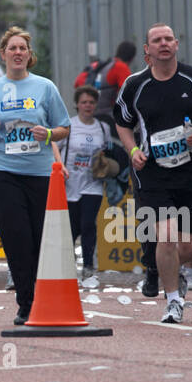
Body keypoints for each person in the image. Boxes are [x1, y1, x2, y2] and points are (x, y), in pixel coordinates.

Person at [114, 22, 192, 324]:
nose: (163, 43)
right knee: (165, 236)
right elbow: (122, 123)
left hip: (191, 173)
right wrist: (132, 150)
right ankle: (173, 300)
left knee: (188, 248)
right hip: (152, 174)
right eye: (156, 40)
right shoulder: (135, 86)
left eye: (168, 39)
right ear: (147, 50)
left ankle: (162, 267)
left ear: (176, 44)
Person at [0, 26, 71, 326]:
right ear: (3, 54)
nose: (17, 53)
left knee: (40, 240)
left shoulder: (45, 88)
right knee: (17, 238)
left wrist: (49, 133)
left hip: (39, 173)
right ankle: (26, 303)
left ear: (29, 55)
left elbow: (64, 128)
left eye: (22, 48)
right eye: (12, 48)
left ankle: (43, 297)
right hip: (3, 172)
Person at [59, 86, 114, 279]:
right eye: (84, 102)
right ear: (77, 105)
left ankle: (89, 265)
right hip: (70, 184)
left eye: (91, 102)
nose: (88, 106)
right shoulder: (68, 125)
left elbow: (109, 151)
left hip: (93, 184)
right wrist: (59, 167)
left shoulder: (102, 128)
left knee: (88, 223)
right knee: (73, 226)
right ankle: (67, 262)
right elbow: (54, 149)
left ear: (96, 105)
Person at [75, 40, 136, 126]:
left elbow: (77, 83)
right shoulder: (121, 67)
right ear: (132, 58)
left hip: (86, 117)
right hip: (107, 117)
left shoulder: (99, 65)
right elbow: (129, 94)